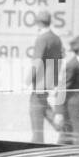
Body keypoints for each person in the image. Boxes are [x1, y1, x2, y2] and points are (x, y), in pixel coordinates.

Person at [28, 7, 64, 143]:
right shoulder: (56, 39)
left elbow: (36, 62)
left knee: (35, 114)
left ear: (38, 23)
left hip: (39, 84)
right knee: (43, 107)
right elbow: (60, 60)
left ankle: (36, 144)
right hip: (50, 82)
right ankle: (61, 126)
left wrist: (27, 81)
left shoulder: (41, 39)